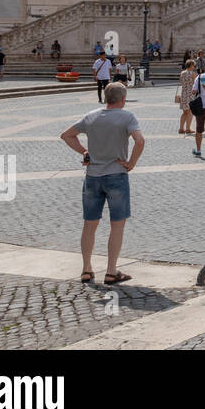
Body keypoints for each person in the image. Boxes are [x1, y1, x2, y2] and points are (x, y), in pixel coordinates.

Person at [59, 81, 144, 285]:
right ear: (122, 99)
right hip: (116, 175)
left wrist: (84, 152)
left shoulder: (91, 116)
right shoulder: (127, 116)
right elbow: (139, 141)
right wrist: (131, 163)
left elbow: (66, 135)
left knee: (89, 224)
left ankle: (86, 269)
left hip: (92, 176)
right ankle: (111, 271)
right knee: (117, 225)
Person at [176, 58, 198, 135]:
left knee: (184, 112)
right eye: (194, 65)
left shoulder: (182, 73)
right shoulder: (193, 74)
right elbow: (196, 84)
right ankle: (188, 128)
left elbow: (181, 82)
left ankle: (181, 128)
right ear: (191, 65)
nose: (194, 67)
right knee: (190, 112)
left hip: (183, 93)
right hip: (190, 94)